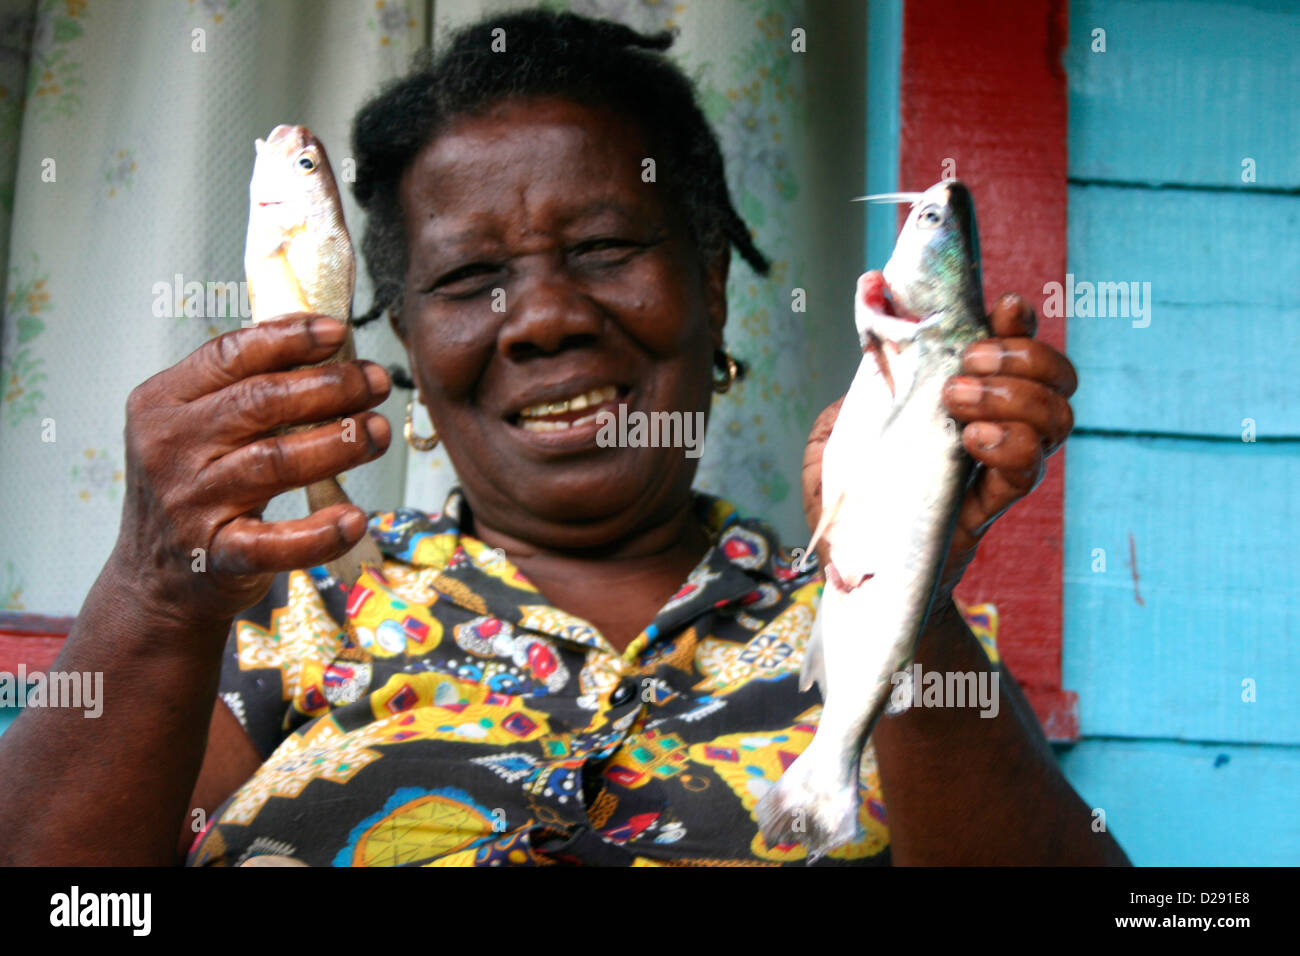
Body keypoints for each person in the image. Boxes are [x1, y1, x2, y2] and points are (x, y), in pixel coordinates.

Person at [0, 10, 1127, 866]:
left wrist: (907, 565)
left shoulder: (871, 629)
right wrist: (150, 586)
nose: (542, 319)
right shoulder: (295, 616)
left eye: (602, 247)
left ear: (713, 286)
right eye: (470, 277)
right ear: (404, 337)